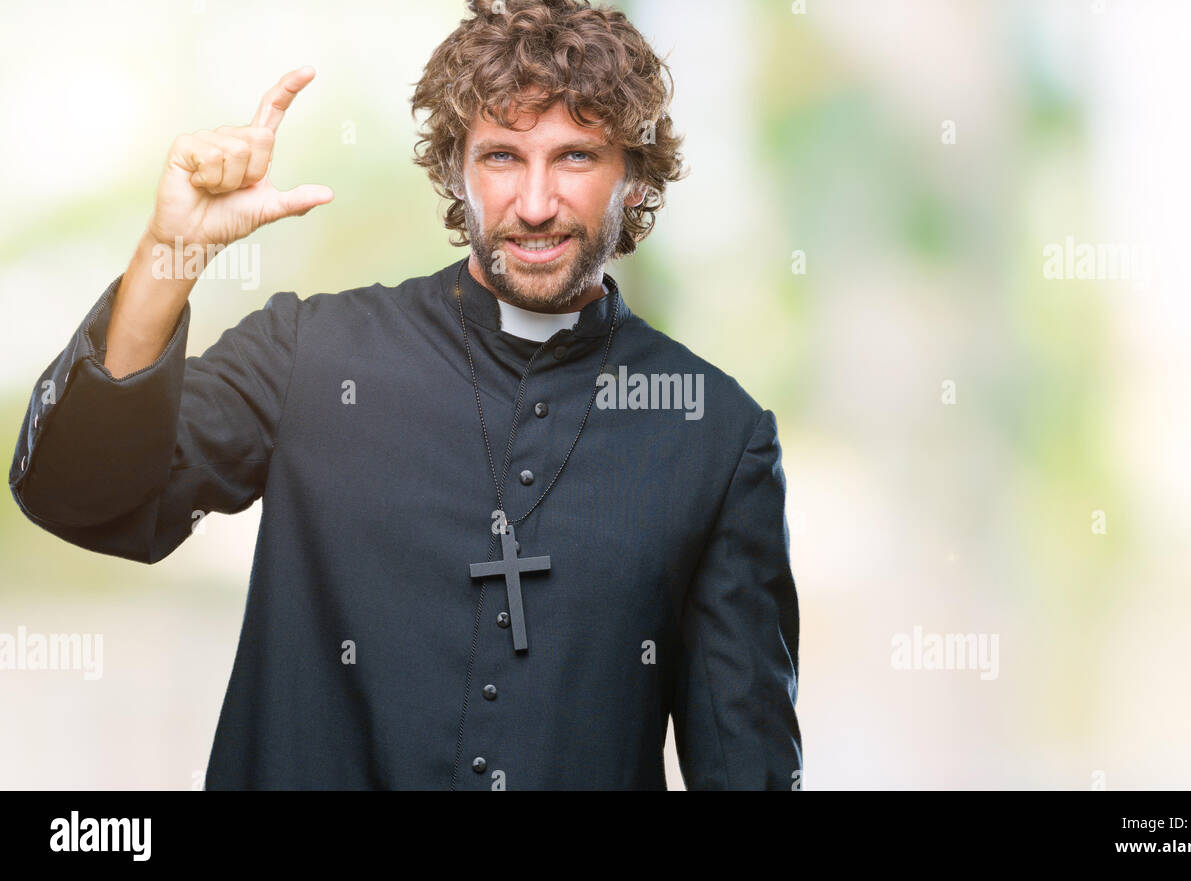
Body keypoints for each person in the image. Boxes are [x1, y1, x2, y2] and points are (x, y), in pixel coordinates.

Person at [9, 0, 801, 790]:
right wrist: (171, 251)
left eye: (574, 158)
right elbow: (84, 495)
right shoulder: (308, 354)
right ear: (455, 165)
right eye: (500, 156)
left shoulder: (718, 436)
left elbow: (747, 765)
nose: (533, 203)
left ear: (631, 175)